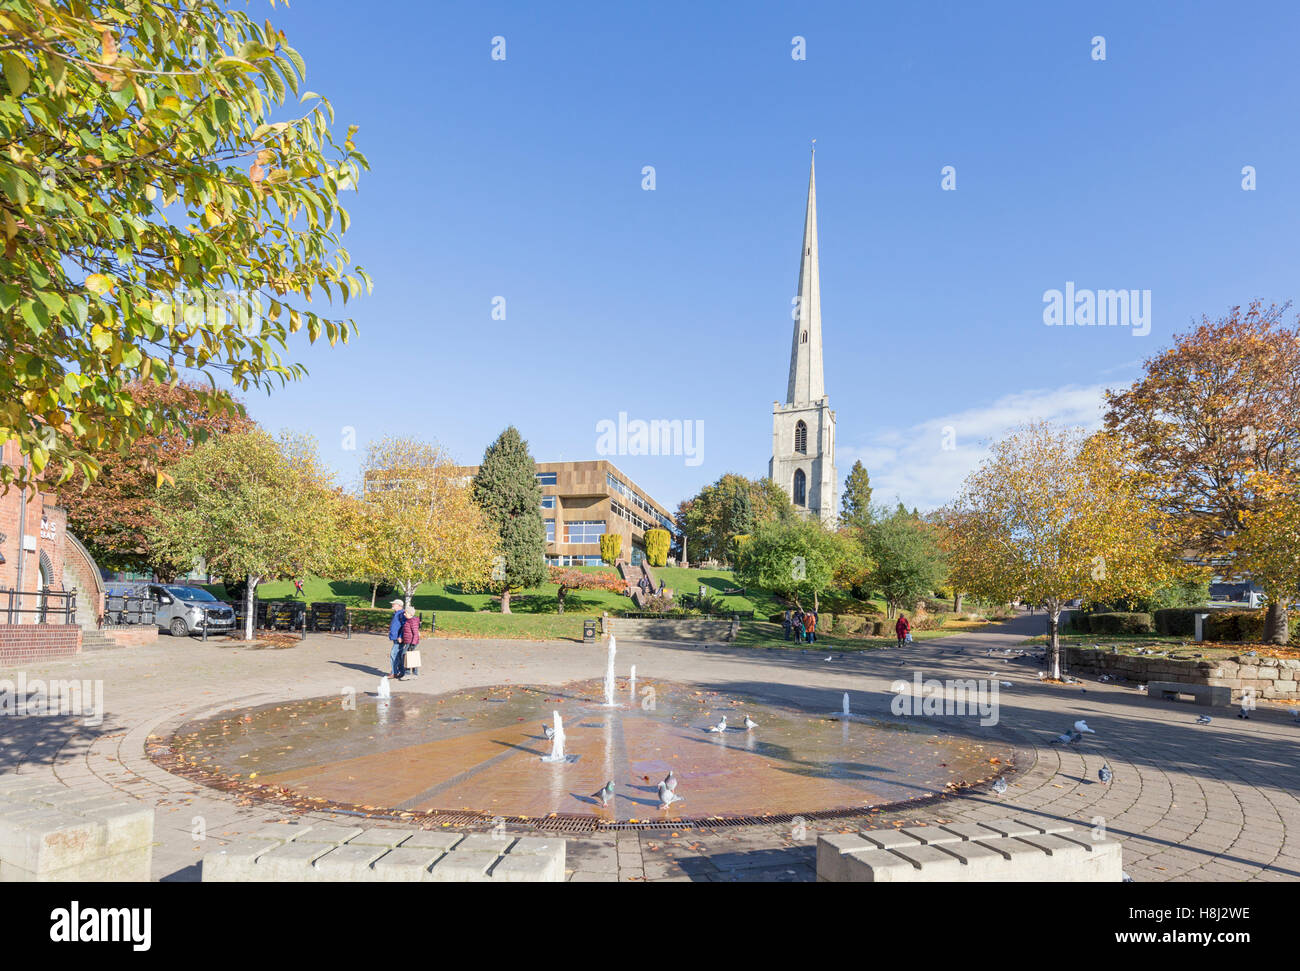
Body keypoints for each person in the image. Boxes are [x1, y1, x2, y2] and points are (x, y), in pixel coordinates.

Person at [400, 605, 422, 677]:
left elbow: (416, 633)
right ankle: (414, 673)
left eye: (406, 613)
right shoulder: (408, 620)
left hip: (411, 642)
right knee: (410, 656)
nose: (404, 614)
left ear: (410, 614)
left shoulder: (413, 621)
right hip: (408, 641)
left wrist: (413, 643)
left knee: (406, 656)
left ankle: (408, 673)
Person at [387, 598, 406, 680]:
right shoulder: (397, 613)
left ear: (399, 606)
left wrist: (401, 636)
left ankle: (394, 672)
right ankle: (401, 672)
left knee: (393, 654)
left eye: (394, 604)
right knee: (398, 655)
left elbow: (404, 626)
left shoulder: (401, 614)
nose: (392, 605)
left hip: (399, 638)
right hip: (396, 637)